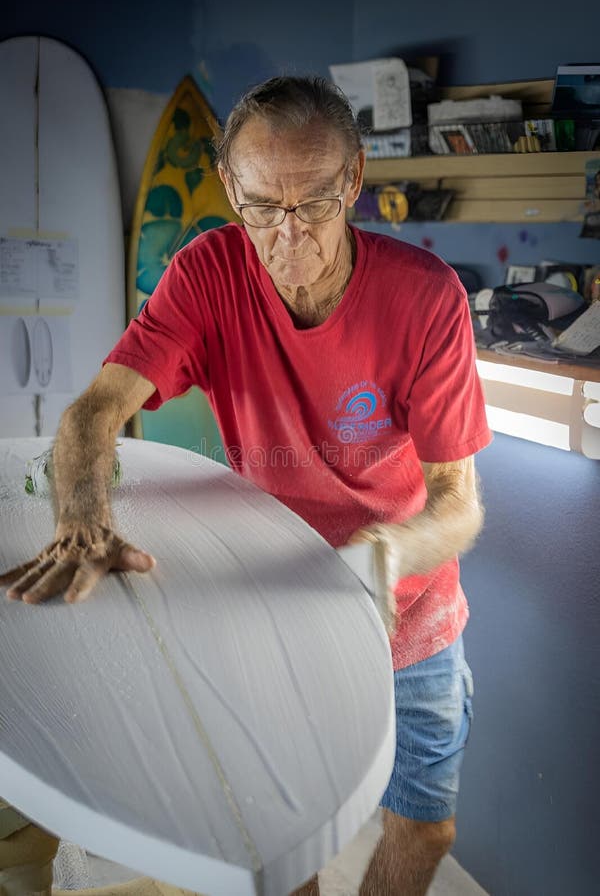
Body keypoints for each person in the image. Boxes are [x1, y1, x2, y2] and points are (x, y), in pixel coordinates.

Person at [0, 76, 491, 896]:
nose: (290, 234)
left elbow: (457, 504)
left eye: (316, 203)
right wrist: (82, 522)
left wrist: (384, 554)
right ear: (230, 187)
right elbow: (93, 415)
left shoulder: (426, 298)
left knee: (426, 827)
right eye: (263, 207)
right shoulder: (209, 274)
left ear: (355, 178)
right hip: (272, 604)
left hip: (410, 610)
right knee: (277, 835)